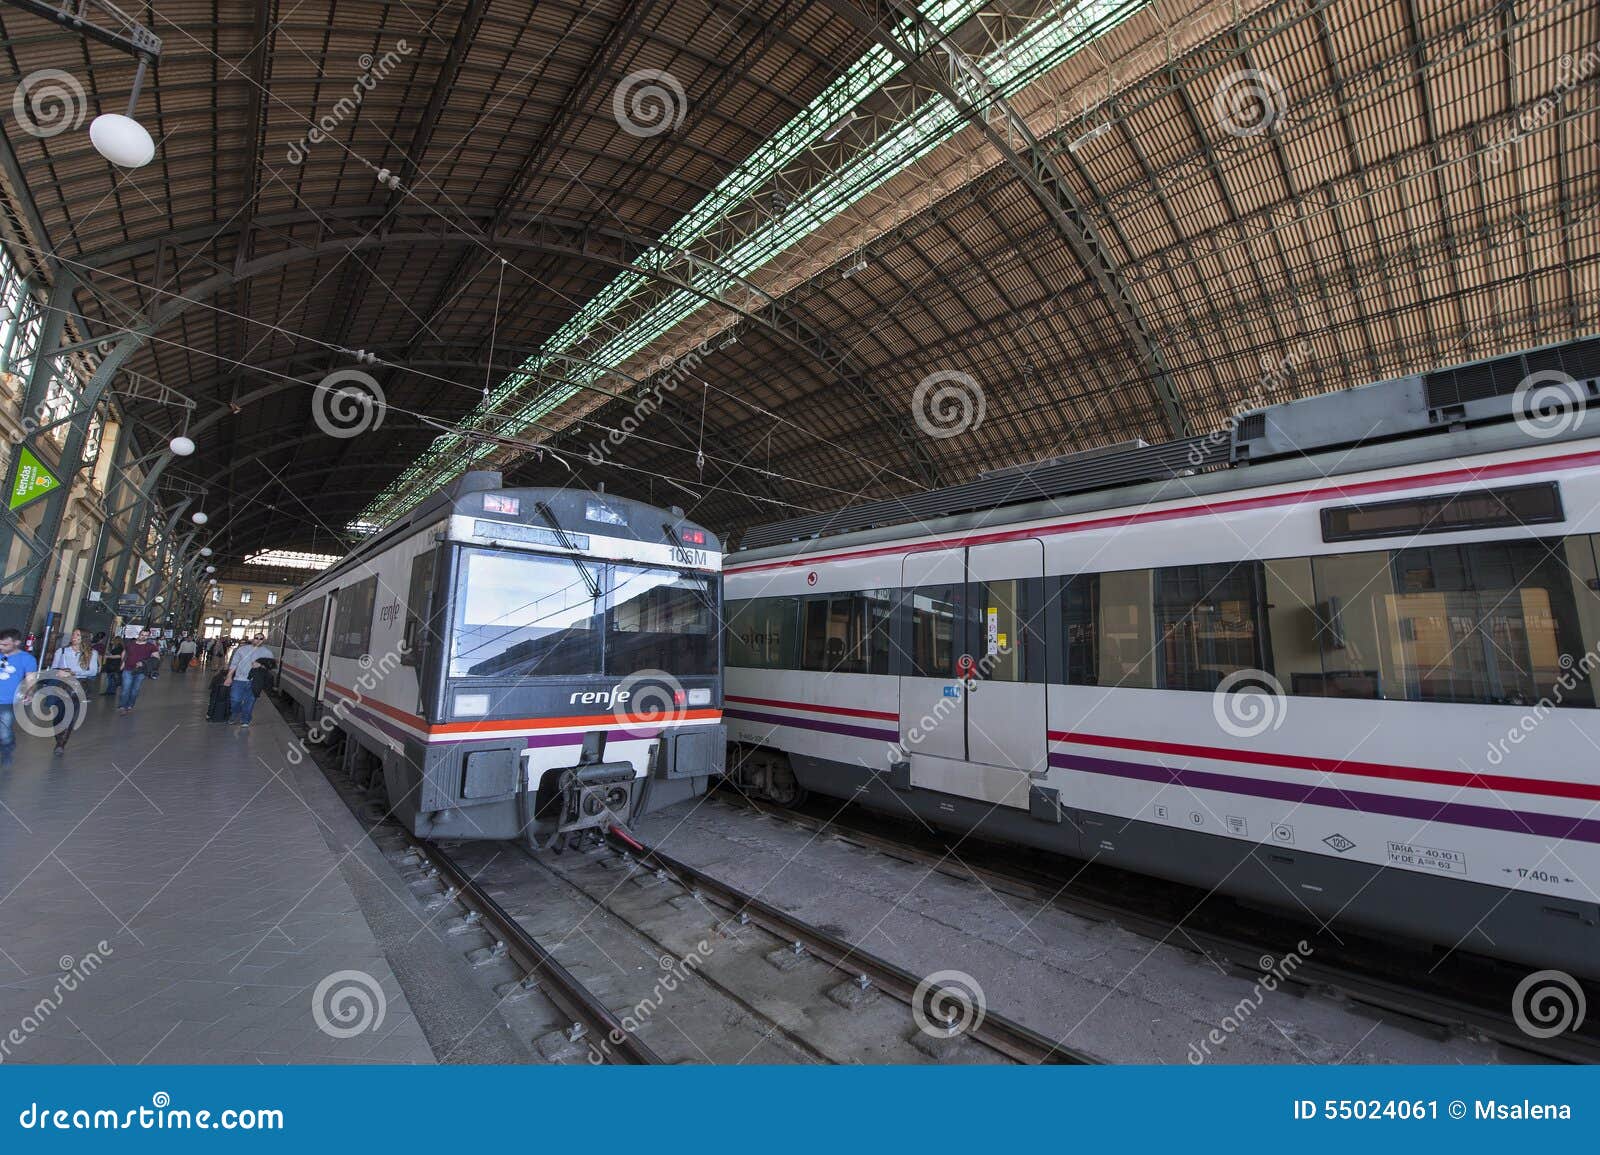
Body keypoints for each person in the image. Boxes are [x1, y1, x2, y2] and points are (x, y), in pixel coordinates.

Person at [42, 628, 98, 754]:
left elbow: (93, 671)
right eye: (73, 634)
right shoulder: (61, 651)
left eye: (77, 635)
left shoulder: (92, 653)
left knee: (71, 714)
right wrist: (59, 672)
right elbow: (54, 668)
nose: (73, 636)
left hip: (78, 686)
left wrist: (73, 672)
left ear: (84, 638)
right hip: (61, 685)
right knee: (59, 715)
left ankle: (61, 744)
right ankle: (59, 737)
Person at [0, 628, 39, 767]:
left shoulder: (27, 659)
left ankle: (7, 748)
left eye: (5, 644)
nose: (1, 647)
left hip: (9, 702)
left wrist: (30, 692)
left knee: (4, 733)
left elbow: (31, 680)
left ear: (16, 643)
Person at [224, 633, 274, 729]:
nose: (258, 640)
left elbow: (271, 665)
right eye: (256, 638)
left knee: (249, 702)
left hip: (255, 681)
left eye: (261, 639)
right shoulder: (242, 650)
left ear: (263, 640)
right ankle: (236, 713)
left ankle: (245, 720)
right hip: (239, 679)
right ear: (252, 639)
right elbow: (234, 664)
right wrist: (229, 677)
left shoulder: (267, 652)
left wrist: (261, 665)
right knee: (235, 699)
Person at [118, 629, 159, 714]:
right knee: (126, 689)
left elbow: (157, 659)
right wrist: (123, 663)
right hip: (128, 669)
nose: (143, 637)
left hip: (141, 671)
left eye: (146, 635)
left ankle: (130, 705)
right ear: (139, 634)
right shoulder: (130, 644)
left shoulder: (151, 646)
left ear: (148, 637)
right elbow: (124, 653)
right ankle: (122, 706)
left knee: (135, 690)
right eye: (142, 635)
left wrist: (144, 663)